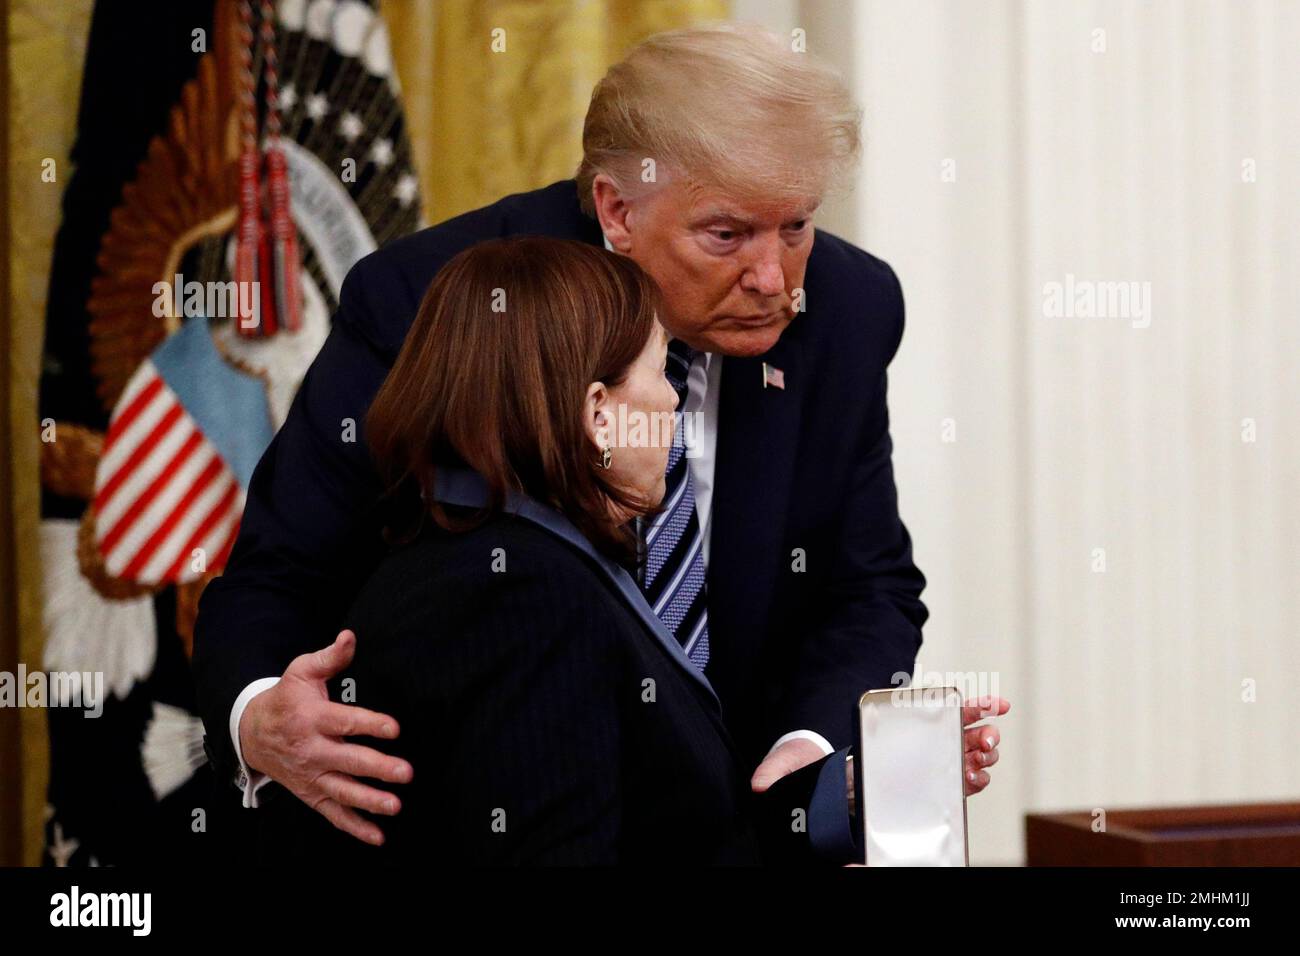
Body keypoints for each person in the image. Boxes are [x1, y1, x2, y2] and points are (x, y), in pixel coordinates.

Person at [193, 22, 1008, 852]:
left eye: (795, 226)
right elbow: (279, 572)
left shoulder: (846, 309)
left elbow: (865, 583)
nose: (774, 279)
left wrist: (815, 765)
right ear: (619, 209)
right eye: (726, 235)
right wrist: (259, 714)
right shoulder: (439, 297)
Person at [255, 236, 858, 864]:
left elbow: (677, 830)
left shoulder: (503, 561)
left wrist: (846, 794)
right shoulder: (523, 597)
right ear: (599, 413)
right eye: (659, 369)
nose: (675, 399)